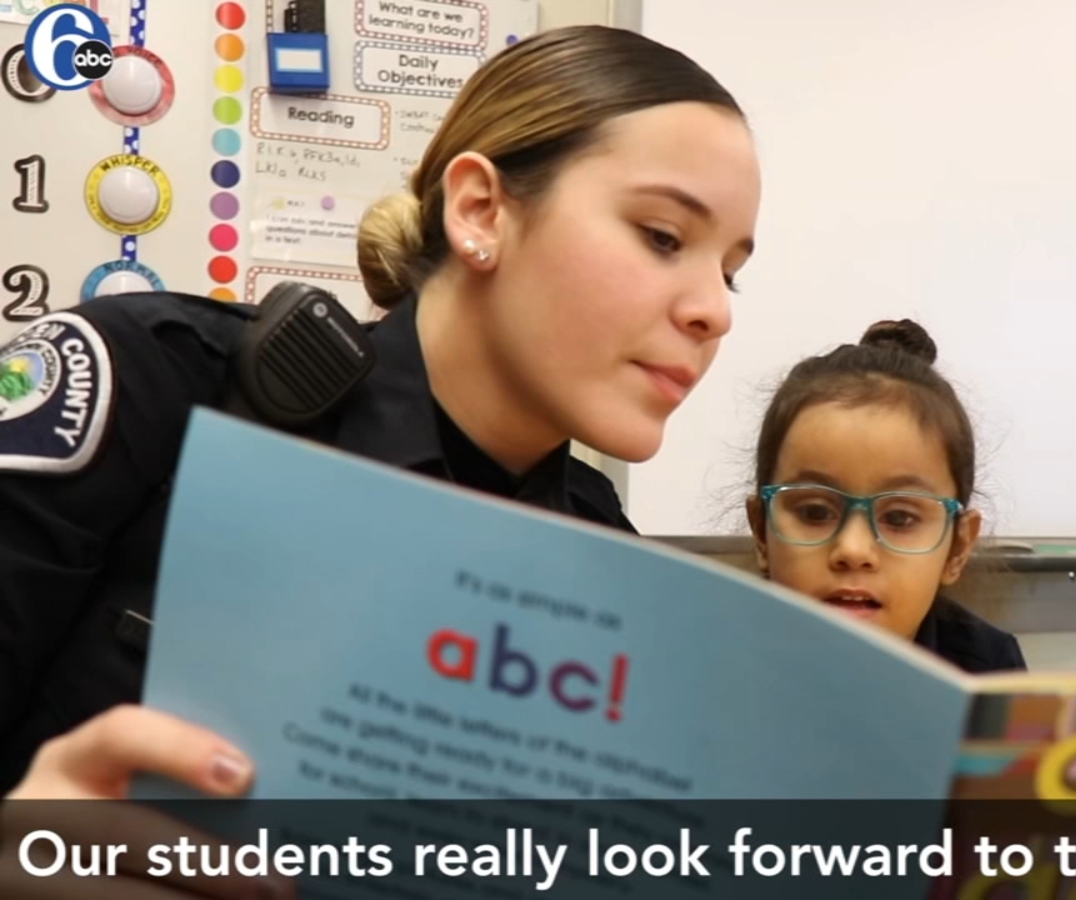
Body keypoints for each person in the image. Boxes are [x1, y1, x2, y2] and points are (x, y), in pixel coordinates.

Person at [0, 19, 759, 856]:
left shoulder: (608, 565)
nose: (714, 310)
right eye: (663, 237)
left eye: (730, 270)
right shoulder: (146, 385)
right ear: (481, 211)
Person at [745, 320, 1025, 674]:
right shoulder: (705, 664)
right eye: (815, 512)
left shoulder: (988, 671)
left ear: (957, 548)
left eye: (899, 518)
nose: (853, 550)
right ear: (761, 531)